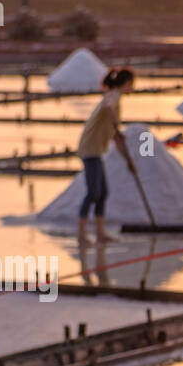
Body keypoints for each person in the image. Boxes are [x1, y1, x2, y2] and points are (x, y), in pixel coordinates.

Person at [76, 66, 136, 246]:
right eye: (131, 84)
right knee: (93, 193)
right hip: (90, 149)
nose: (132, 88)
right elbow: (108, 106)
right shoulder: (113, 95)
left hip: (96, 151)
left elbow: (117, 138)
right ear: (126, 83)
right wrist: (116, 122)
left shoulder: (116, 102)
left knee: (103, 193)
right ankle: (81, 234)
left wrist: (128, 162)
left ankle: (100, 233)